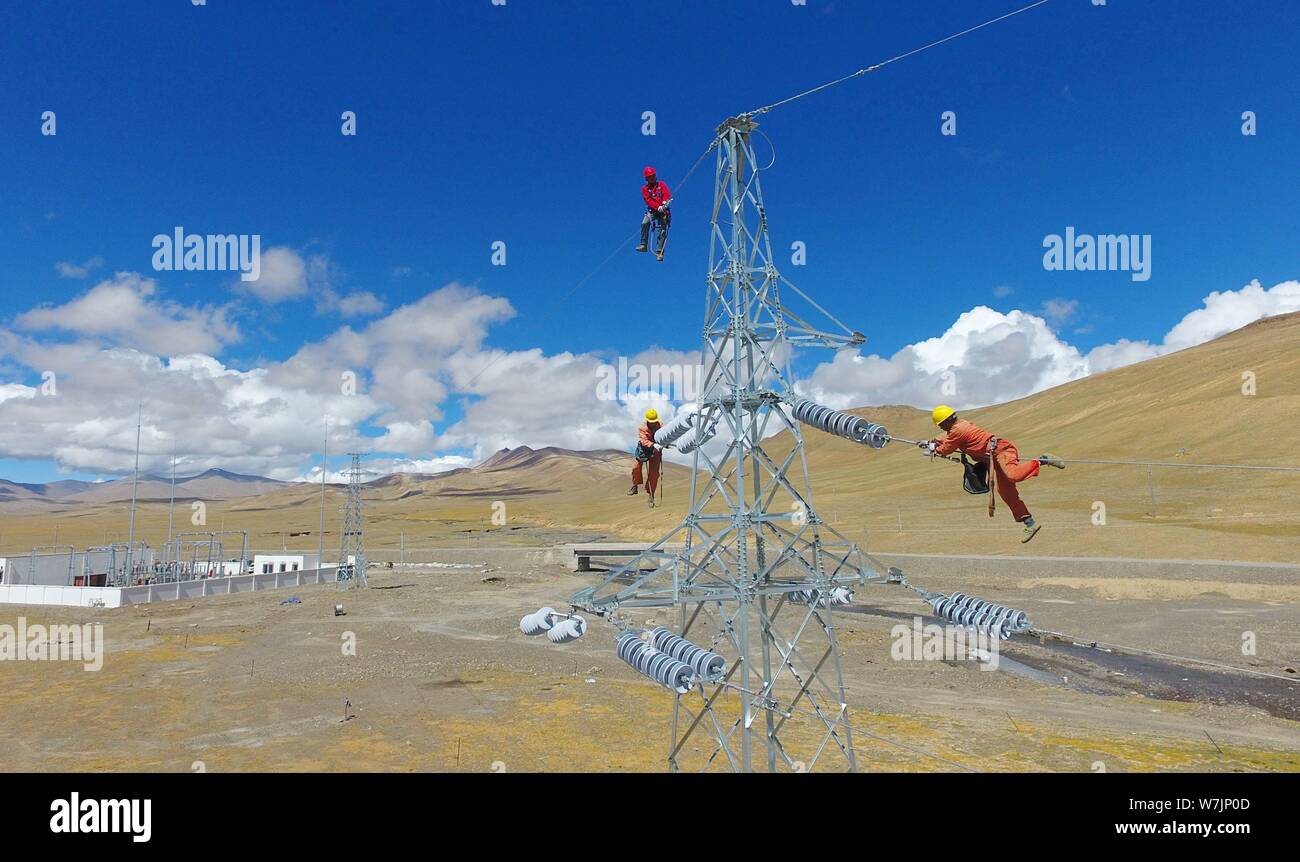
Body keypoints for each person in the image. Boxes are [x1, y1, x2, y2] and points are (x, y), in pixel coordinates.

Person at [921, 405, 1064, 543]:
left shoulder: (959, 430)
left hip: (1002, 451)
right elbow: (947, 438)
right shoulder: (959, 426)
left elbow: (946, 448)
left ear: (946, 421)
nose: (940, 427)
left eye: (940, 425)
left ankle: (1043, 460)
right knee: (1006, 492)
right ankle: (1030, 523)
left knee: (1013, 475)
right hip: (994, 458)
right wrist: (931, 442)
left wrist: (933, 448)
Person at [628, 408, 664, 504]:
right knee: (636, 467)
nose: (652, 423)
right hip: (643, 449)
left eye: (654, 421)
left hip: (656, 452)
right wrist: (653, 444)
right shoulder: (642, 428)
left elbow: (666, 435)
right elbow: (643, 440)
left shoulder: (662, 426)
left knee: (654, 474)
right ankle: (635, 485)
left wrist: (665, 443)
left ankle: (651, 494)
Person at [636, 166, 672, 260]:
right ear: (646, 179)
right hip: (653, 211)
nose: (652, 178)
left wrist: (665, 203)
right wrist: (657, 207)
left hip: (663, 211)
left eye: (653, 175)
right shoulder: (645, 189)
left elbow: (666, 194)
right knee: (644, 223)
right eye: (650, 176)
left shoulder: (661, 185)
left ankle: (660, 251)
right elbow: (648, 200)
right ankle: (643, 244)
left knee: (663, 229)